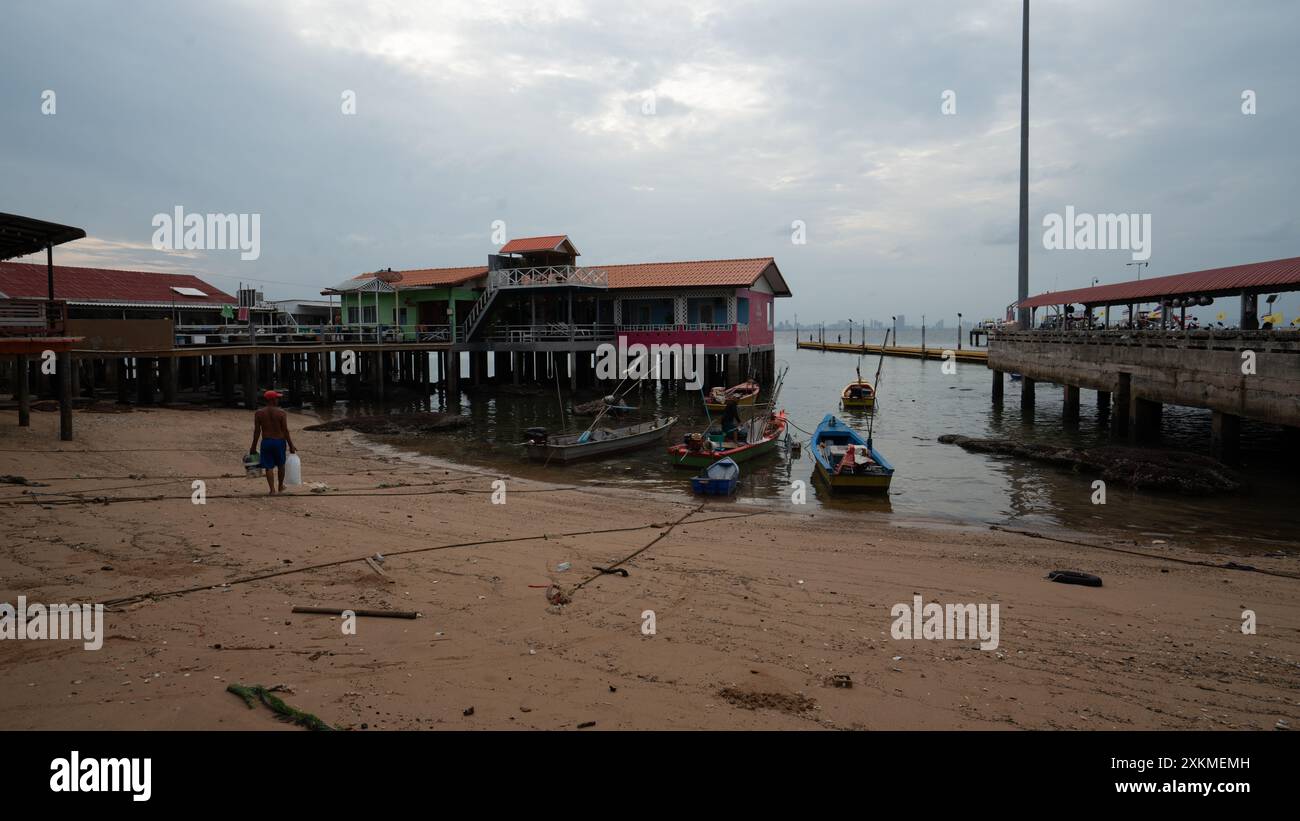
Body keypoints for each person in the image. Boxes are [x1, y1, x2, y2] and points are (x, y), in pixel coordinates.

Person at [250, 390, 296, 494]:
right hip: (279, 442)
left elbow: (257, 432)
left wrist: (253, 446)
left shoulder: (259, 413)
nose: (278, 400)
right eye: (277, 398)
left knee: (268, 466)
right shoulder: (281, 413)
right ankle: (280, 486)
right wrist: (291, 445)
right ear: (272, 400)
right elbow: (285, 431)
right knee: (281, 465)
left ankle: (272, 490)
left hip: (266, 442)